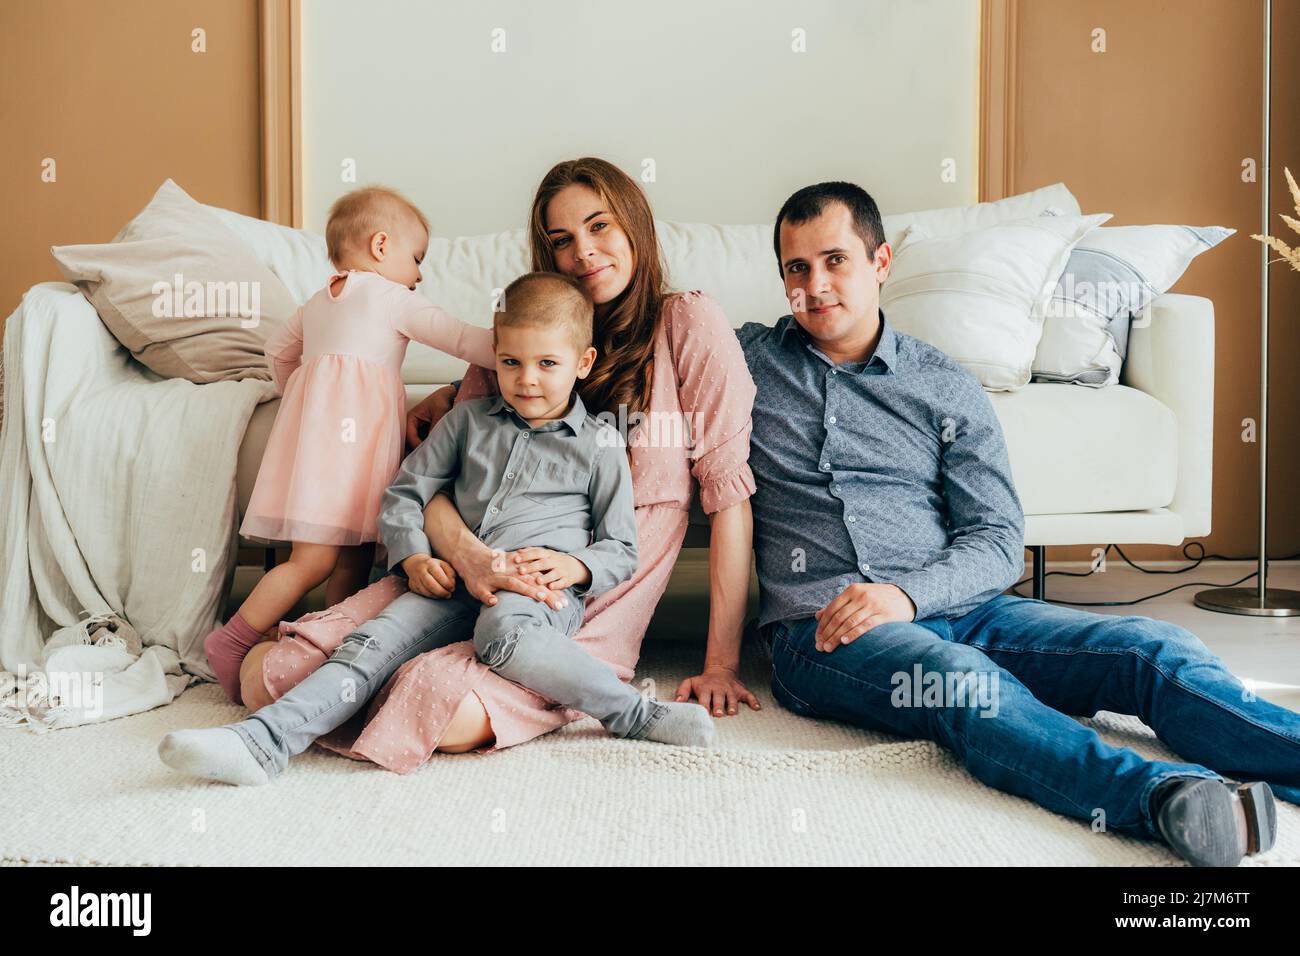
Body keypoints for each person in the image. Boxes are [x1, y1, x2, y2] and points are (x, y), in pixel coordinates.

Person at [738, 180, 1292, 867]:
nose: (815, 285)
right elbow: (634, 331)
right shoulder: (747, 362)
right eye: (796, 268)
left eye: (834, 260)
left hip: (962, 607)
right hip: (822, 630)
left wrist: (909, 596)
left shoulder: (942, 382)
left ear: (880, 263)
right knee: (962, 681)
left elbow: (998, 538)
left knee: (1150, 648)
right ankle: (1166, 798)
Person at [234, 157, 759, 766]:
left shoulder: (687, 322)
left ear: (635, 225)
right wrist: (469, 559)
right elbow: (436, 480)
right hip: (464, 572)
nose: (584, 252)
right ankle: (300, 717)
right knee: (265, 674)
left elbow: (728, 495)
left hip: (578, 597)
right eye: (561, 241)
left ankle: (372, 696)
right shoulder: (511, 338)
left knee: (440, 708)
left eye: (599, 226)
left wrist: (720, 663)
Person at [203, 186, 494, 704]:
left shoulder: (317, 302)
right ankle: (234, 639)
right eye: (417, 257)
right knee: (316, 561)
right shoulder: (390, 297)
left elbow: (278, 353)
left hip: (322, 447)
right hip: (353, 451)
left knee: (353, 559)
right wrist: (523, 346)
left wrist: (303, 393)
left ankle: (331, 642)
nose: (420, 273)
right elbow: (461, 338)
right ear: (382, 245)